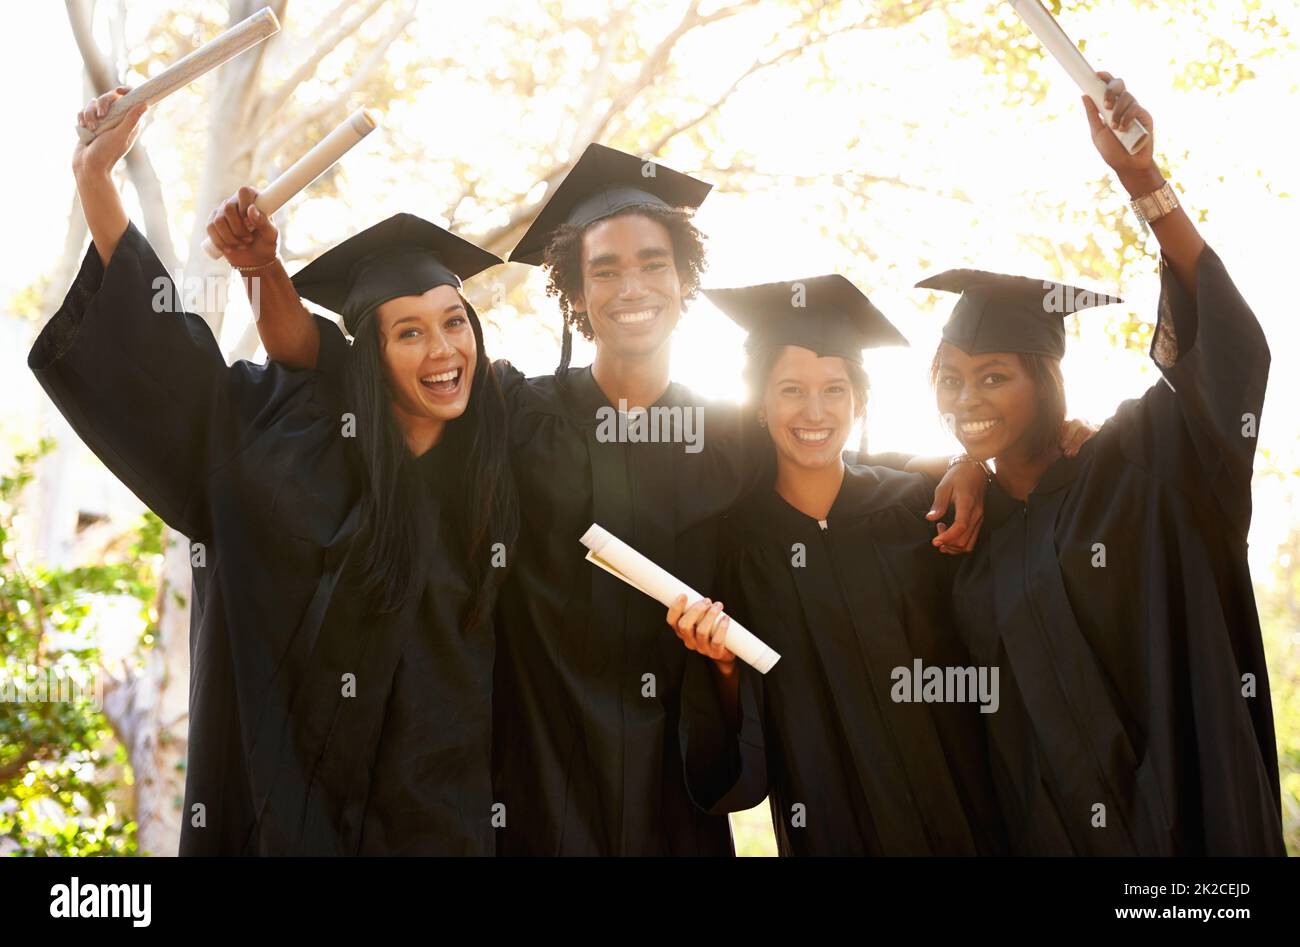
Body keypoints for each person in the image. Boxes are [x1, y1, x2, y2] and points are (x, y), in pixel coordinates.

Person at [239, 143, 994, 854]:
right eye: (603, 270)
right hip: (538, 768)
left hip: (672, 775)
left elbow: (835, 463)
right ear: (572, 290)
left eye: (651, 264)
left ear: (681, 279)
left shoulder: (730, 434)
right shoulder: (512, 411)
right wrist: (264, 270)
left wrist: (964, 465)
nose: (630, 287)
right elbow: (337, 359)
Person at [29, 88, 516, 854]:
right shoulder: (292, 451)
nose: (443, 351)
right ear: (372, 360)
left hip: (439, 824)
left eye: (455, 322)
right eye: (409, 333)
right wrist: (98, 182)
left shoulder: (502, 450)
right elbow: (180, 366)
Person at [922, 75, 1284, 855]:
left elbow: (1232, 352)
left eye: (995, 375)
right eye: (950, 377)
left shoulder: (1141, 463)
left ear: (1046, 377)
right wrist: (960, 463)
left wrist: (1142, 180)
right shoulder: (967, 541)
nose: (969, 396)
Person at [668, 275, 1007, 855]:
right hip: (830, 819)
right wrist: (722, 669)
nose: (815, 411)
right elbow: (739, 721)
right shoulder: (734, 545)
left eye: (835, 389)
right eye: (791, 389)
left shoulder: (916, 508)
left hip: (966, 804)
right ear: (760, 402)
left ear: (859, 401)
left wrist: (974, 464)